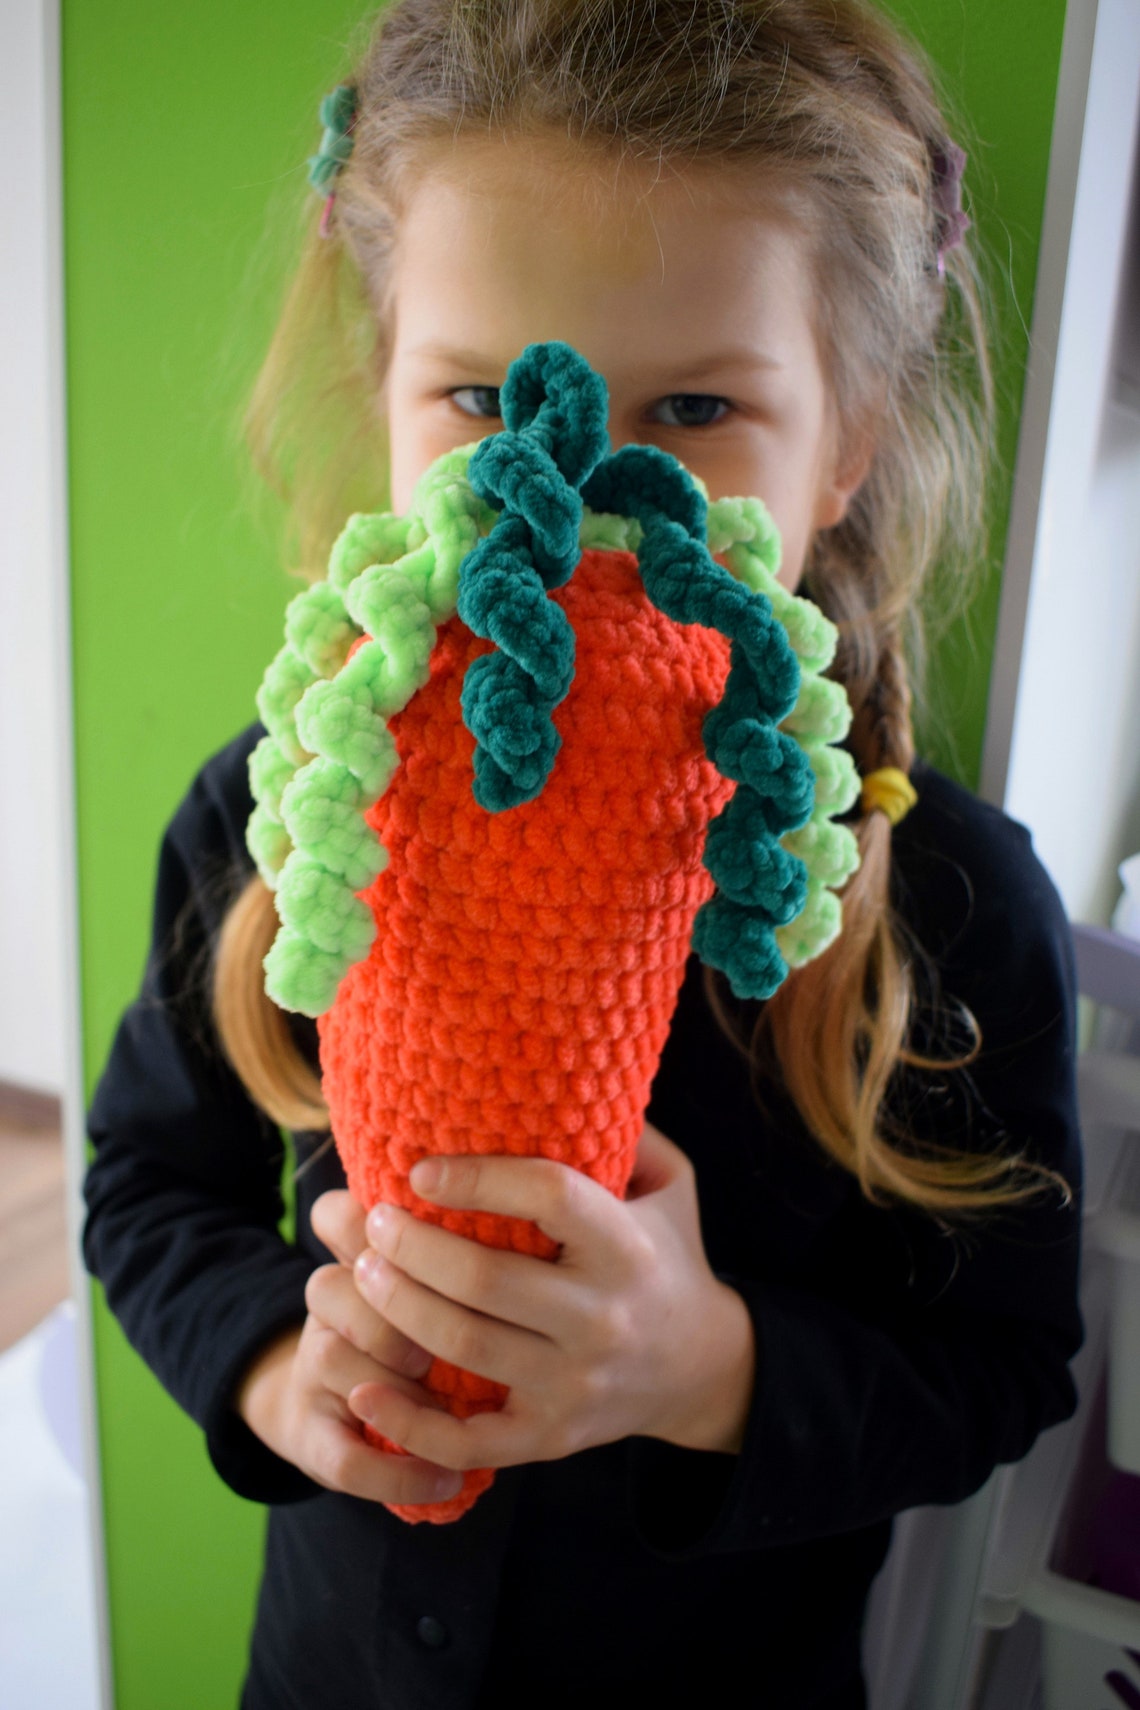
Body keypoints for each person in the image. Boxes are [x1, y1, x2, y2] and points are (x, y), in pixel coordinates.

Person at [82, 2, 1084, 1706]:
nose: (577, 493)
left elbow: (1000, 1361)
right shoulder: (287, 802)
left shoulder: (952, 901)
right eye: (484, 395)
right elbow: (145, 1181)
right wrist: (269, 1368)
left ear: (842, 446)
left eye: (695, 405)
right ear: (387, 386)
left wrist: (711, 1372)